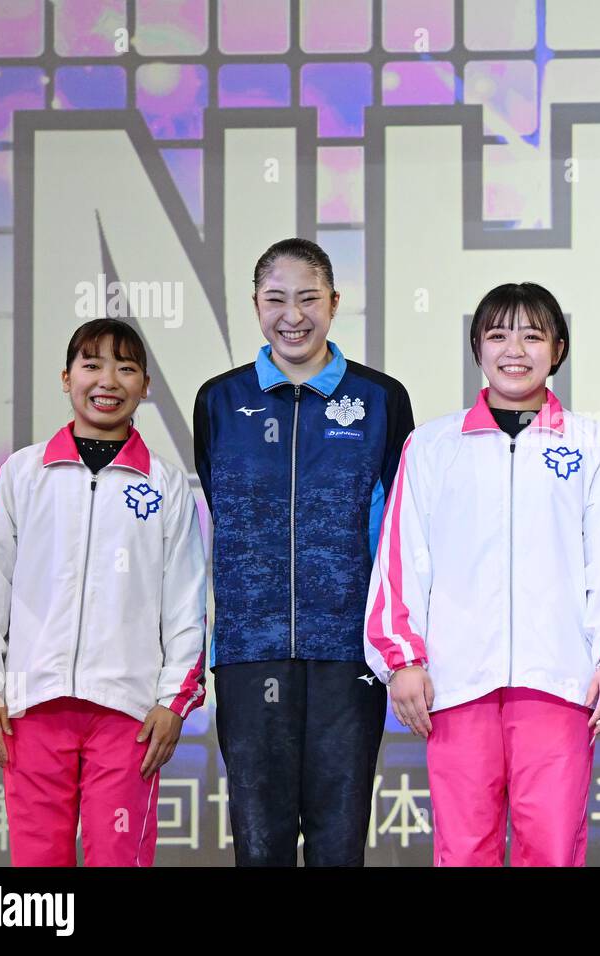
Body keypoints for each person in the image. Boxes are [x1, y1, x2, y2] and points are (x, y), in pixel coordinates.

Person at [365, 281, 600, 866]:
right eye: (497, 334)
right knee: (464, 847)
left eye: (531, 334)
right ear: (477, 349)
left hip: (560, 684)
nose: (513, 349)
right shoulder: (432, 446)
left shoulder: (595, 448)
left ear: (558, 349)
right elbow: (401, 559)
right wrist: (404, 660)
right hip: (456, 682)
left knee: (551, 847)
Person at [0, 318, 206, 866]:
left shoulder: (164, 486)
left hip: (128, 714)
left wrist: (172, 701)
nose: (107, 380)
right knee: (38, 865)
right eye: (92, 365)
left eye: (126, 368)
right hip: (32, 707)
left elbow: (187, 601)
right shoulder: (23, 474)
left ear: (146, 386)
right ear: (66, 378)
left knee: (118, 855)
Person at [194, 237, 414, 866]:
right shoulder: (218, 400)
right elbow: (219, 505)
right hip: (248, 648)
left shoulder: (380, 399)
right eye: (276, 299)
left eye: (308, 298)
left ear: (334, 303)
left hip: (351, 652)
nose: (293, 315)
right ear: (255, 305)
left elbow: (399, 525)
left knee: (339, 840)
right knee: (259, 842)